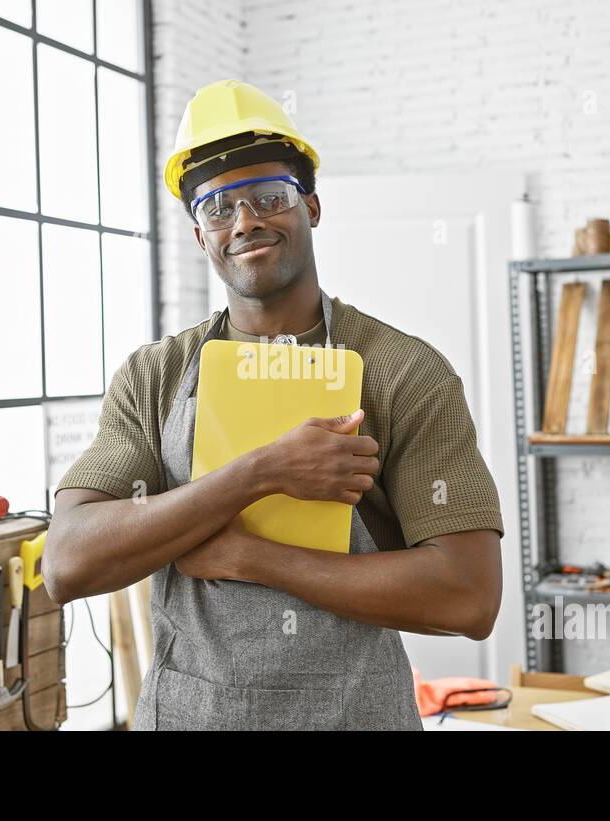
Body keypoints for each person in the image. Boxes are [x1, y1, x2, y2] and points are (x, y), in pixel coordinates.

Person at [45, 79, 503, 730]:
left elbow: (468, 595)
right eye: (218, 207)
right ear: (201, 234)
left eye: (269, 197)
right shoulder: (155, 376)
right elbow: (67, 562)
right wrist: (258, 473)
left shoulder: (405, 372)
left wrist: (254, 558)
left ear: (311, 206)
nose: (246, 222)